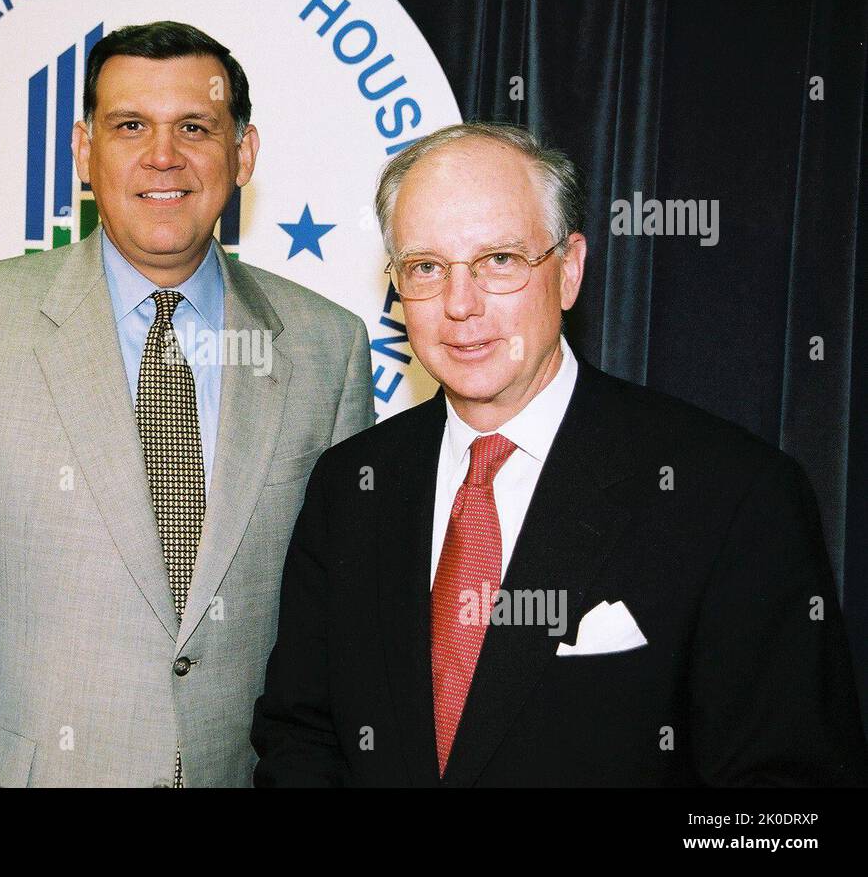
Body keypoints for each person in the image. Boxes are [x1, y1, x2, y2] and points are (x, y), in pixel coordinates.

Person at [251, 121, 868, 786]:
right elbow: (301, 735)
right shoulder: (352, 486)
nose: (461, 304)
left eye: (499, 261)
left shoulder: (732, 496)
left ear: (569, 270)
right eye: (427, 267)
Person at [0, 21, 374, 787]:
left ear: (243, 154)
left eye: (195, 128)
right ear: (83, 150)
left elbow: (341, 640)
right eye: (129, 125)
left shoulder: (327, 348)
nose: (162, 156)